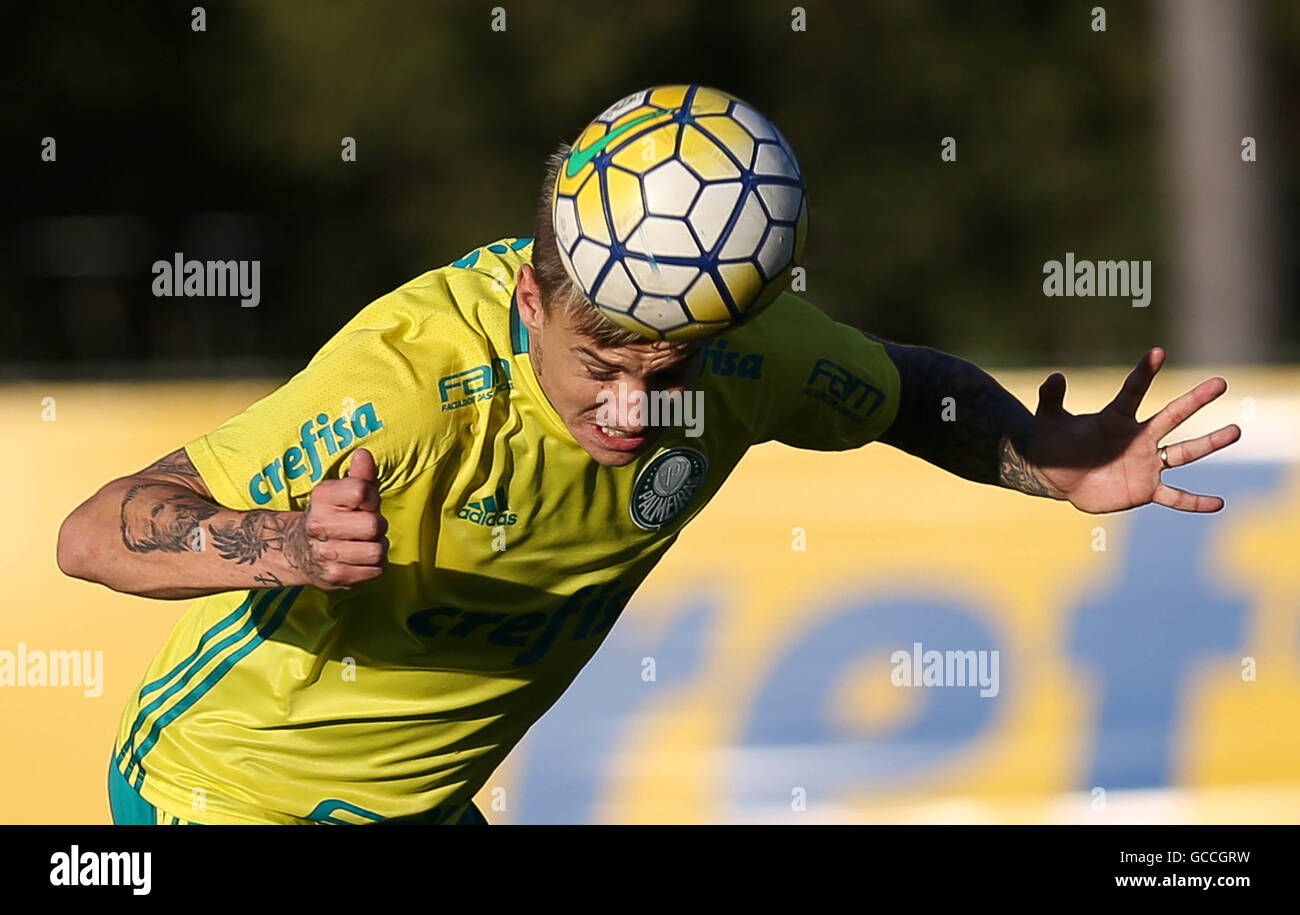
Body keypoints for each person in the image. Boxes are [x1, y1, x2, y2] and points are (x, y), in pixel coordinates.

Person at [57, 144, 1241, 825]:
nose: (630, 409)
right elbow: (92, 533)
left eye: (663, 370)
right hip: (221, 795)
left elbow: (905, 390)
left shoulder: (748, 358)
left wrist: (1048, 466)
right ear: (531, 301)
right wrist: (279, 545)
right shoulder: (414, 379)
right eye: (597, 367)